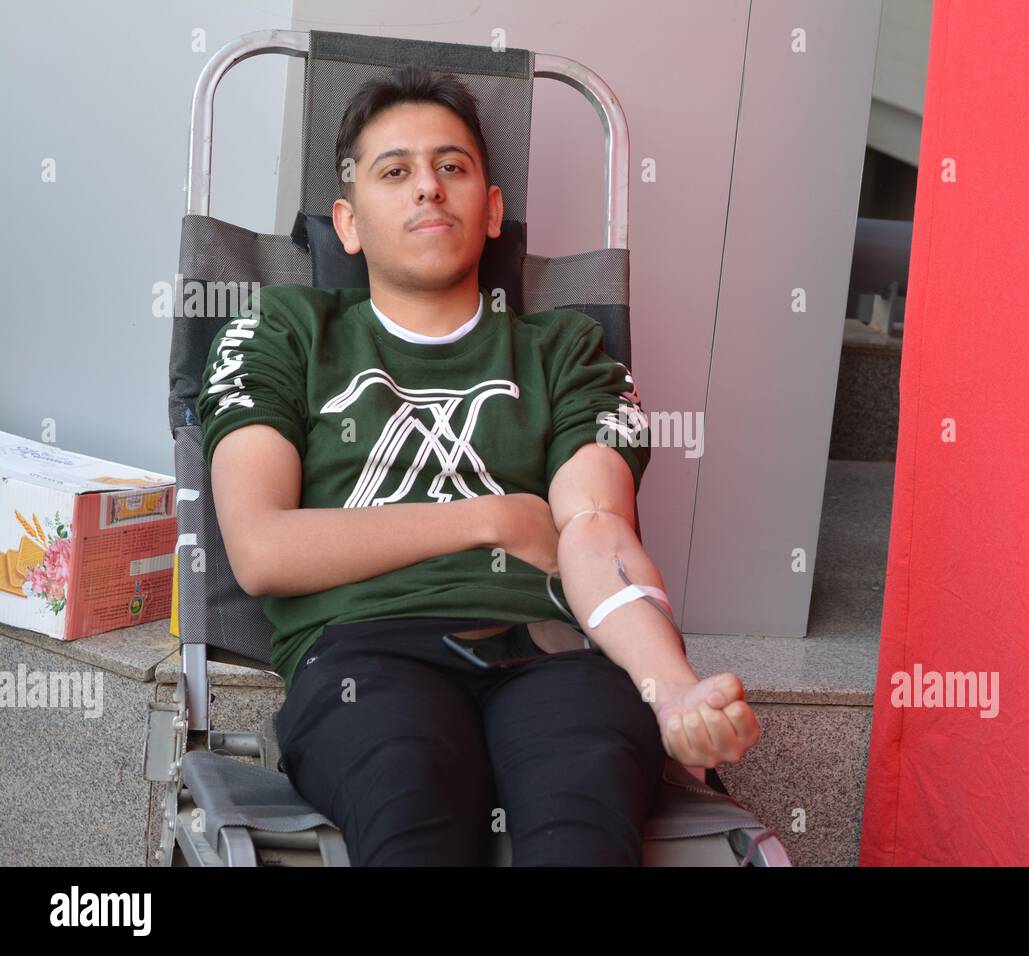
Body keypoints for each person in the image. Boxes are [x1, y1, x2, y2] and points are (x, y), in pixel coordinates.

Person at [195, 65, 759, 865]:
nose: (428, 187)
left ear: (491, 210)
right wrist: (493, 517)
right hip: (363, 650)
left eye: (452, 166)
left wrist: (671, 688)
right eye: (395, 171)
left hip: (550, 649)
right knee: (411, 803)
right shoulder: (283, 331)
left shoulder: (567, 351)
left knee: (584, 824)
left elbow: (595, 530)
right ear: (348, 224)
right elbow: (260, 548)